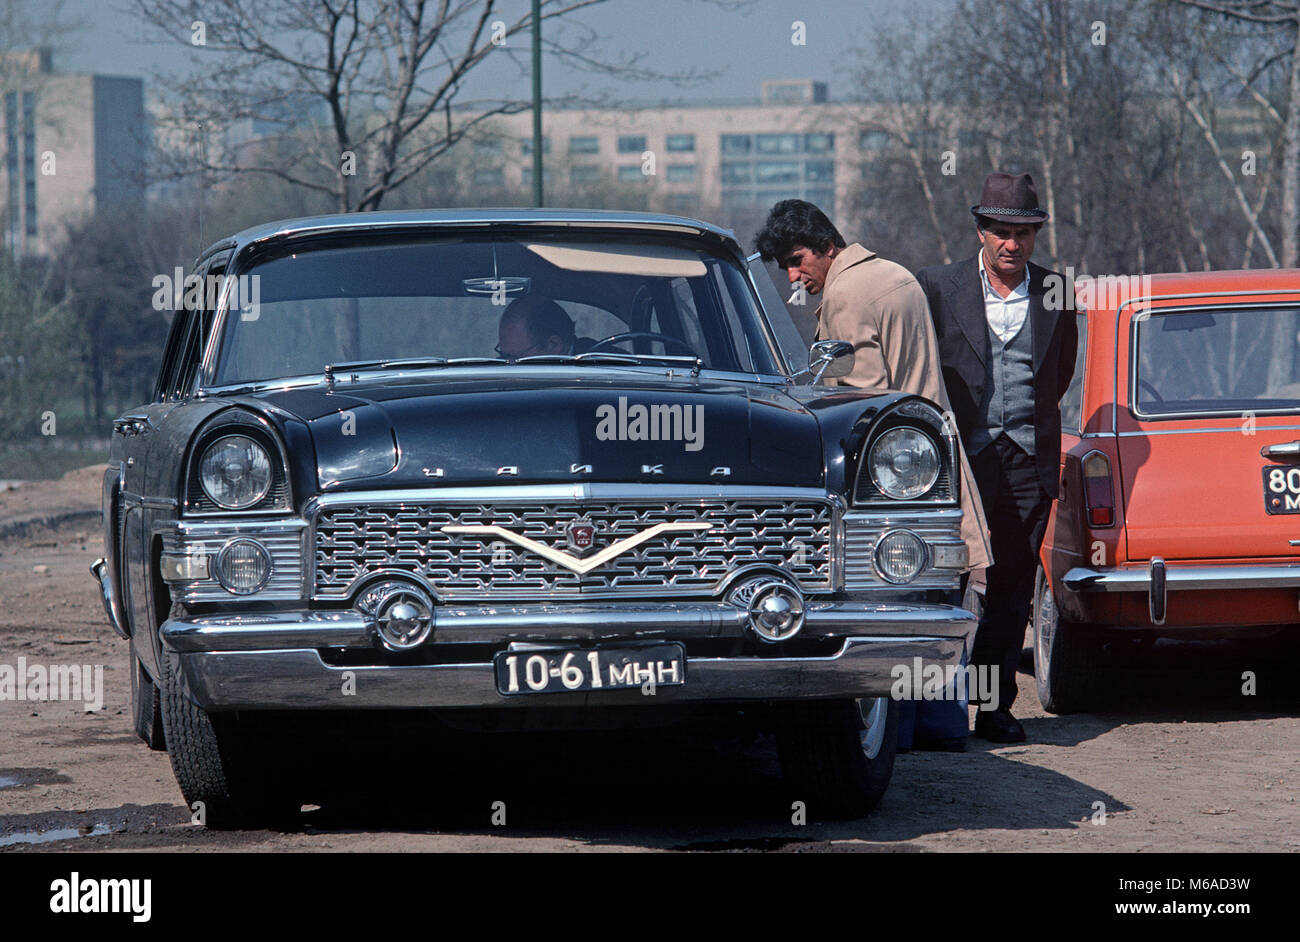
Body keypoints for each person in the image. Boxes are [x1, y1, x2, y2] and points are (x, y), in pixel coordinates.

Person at [755, 198, 992, 751]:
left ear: (826, 246)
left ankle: (911, 733)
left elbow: (852, 401)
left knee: (893, 608)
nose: (795, 277)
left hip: (894, 475)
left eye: (797, 260)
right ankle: (946, 725)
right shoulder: (894, 273)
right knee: (944, 594)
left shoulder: (845, 293)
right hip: (937, 457)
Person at [916, 172, 1079, 743]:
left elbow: (1057, 377)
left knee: (1010, 589)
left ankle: (993, 710)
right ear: (980, 232)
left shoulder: (1058, 292)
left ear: (1036, 235)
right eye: (1001, 232)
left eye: (1024, 233)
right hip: (961, 459)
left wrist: (1021, 428)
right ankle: (930, 715)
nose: (1013, 244)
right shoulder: (938, 286)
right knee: (941, 582)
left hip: (1026, 462)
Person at [496, 294, 592, 360]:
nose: (506, 366)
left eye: (515, 358)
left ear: (553, 345)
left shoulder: (595, 371)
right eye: (503, 356)